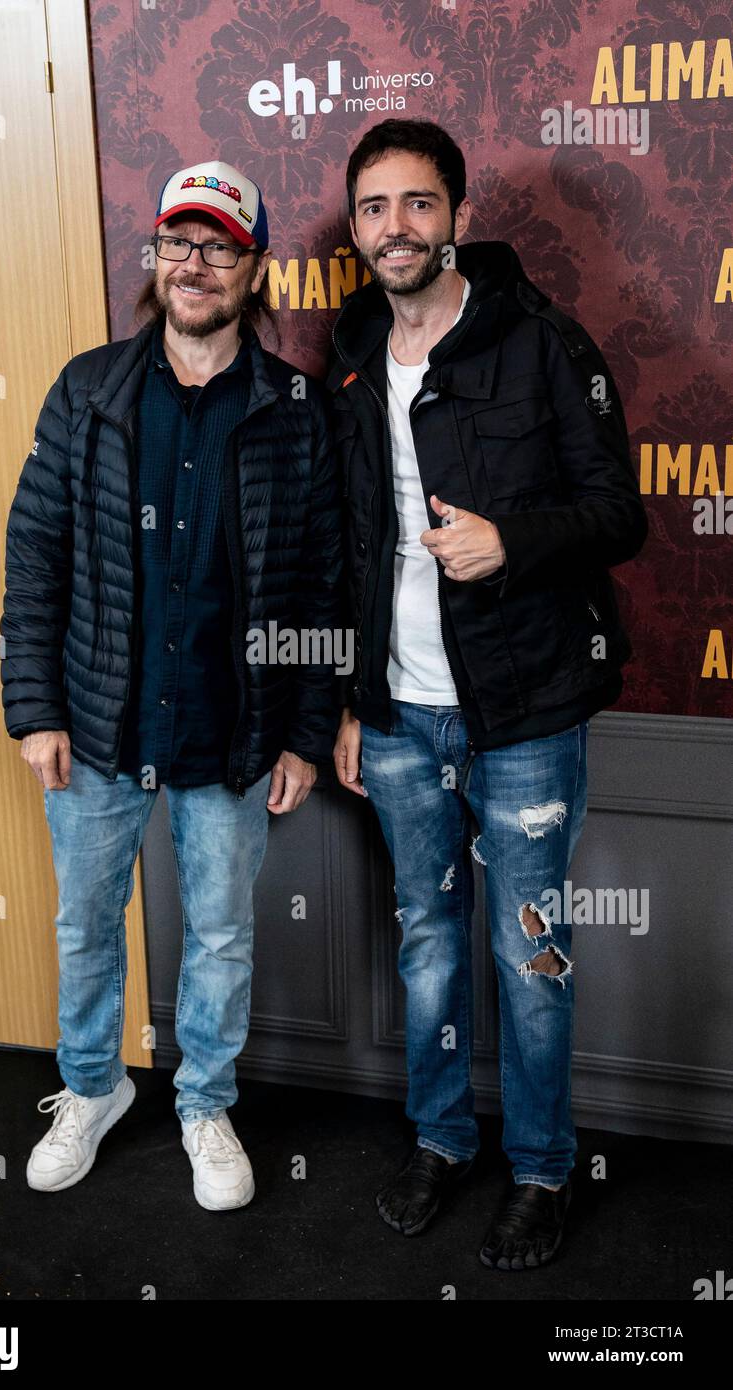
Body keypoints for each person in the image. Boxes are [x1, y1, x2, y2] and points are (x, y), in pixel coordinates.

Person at [329, 119, 647, 1268]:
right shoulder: (355, 352)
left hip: (521, 714)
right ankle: (440, 1137)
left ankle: (543, 1165)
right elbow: (351, 541)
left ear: (456, 215)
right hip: (401, 716)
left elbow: (622, 514)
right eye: (373, 207)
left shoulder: (540, 344)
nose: (394, 227)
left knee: (527, 948)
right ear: (354, 225)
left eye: (417, 204)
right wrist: (355, 700)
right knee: (425, 940)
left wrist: (512, 540)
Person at [0, 160, 343, 1210]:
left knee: (222, 931)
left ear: (253, 269)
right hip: (96, 722)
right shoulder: (86, 388)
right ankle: (92, 1089)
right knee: (84, 923)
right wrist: (36, 708)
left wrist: (301, 729)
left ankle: (203, 1100)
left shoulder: (296, 409)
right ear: (154, 259)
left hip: (231, 730)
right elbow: (35, 551)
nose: (194, 264)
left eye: (218, 247)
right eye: (176, 243)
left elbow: (322, 579)